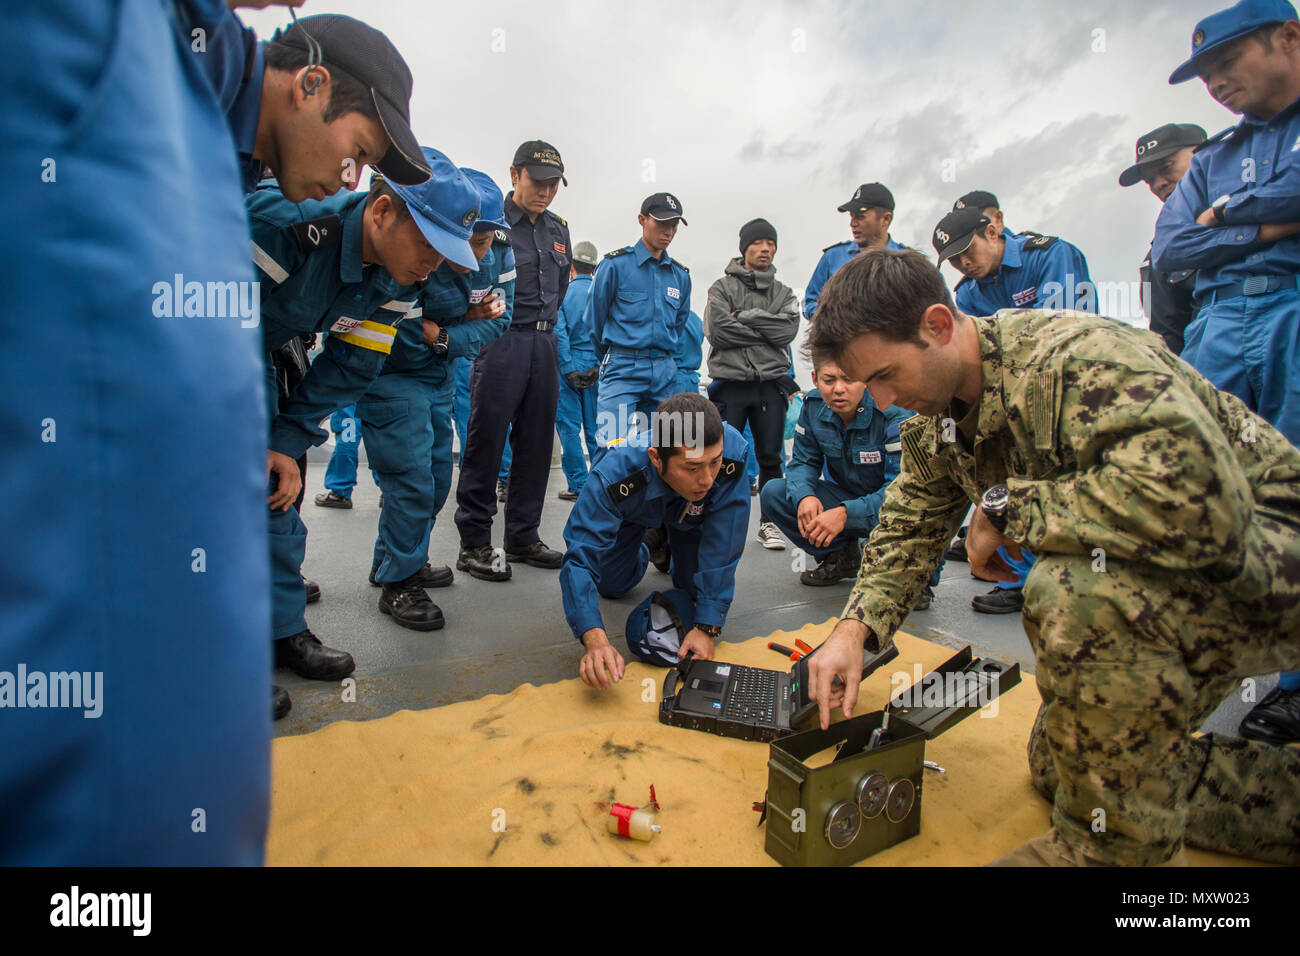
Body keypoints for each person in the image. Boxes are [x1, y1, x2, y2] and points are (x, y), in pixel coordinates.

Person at [804, 247, 1300, 867]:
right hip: (1196, 568)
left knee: (1074, 592)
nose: (880, 402)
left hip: (1266, 548)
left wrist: (1005, 506)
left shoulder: (1074, 359)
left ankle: (1113, 854)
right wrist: (855, 630)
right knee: (1066, 761)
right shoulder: (935, 419)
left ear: (936, 325)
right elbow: (908, 526)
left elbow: (1200, 501)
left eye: (884, 376)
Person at [250, 150, 481, 716]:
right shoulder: (285, 225)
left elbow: (352, 363)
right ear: (382, 211)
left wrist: (287, 437)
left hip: (276, 351)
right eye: (427, 246)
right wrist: (253, 434)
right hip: (206, 348)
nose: (432, 266)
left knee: (278, 496)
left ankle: (282, 632)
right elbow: (200, 329)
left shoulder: (398, 277)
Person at [1155, 0, 1300, 746]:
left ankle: (1296, 685)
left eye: (1225, 63)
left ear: (1289, 36)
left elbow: (1206, 231)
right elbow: (1174, 249)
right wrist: (1270, 220)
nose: (1213, 82)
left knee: (1294, 495)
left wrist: (1226, 220)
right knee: (1187, 485)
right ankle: (1184, 654)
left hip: (1294, 311)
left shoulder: (1217, 172)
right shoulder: (1214, 155)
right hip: (1217, 326)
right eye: (1203, 72)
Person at [359, 163, 516, 630]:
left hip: (441, 374)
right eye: (466, 241)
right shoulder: (419, 246)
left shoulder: (498, 255)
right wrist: (458, 324)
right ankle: (399, 583)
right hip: (392, 375)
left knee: (434, 476)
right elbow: (390, 327)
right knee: (410, 480)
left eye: (483, 242)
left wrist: (445, 338)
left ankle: (396, 559)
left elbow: (500, 320)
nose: (471, 254)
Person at [932, 205, 1094, 614]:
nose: (963, 263)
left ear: (994, 228)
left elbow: (1060, 332)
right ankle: (1023, 580)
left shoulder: (1051, 256)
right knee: (1011, 482)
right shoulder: (968, 292)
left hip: (1069, 388)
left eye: (968, 250)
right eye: (953, 259)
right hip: (1011, 402)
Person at [561, 394, 751, 690]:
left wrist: (706, 627)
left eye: (714, 463)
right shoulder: (615, 474)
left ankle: (669, 537)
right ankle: (650, 542)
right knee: (612, 585)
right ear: (655, 457)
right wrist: (594, 638)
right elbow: (579, 558)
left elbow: (725, 539)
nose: (707, 480)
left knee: (691, 593)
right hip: (633, 517)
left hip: (691, 519)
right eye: (692, 468)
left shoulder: (733, 451)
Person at [454, 141, 571, 580]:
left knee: (537, 443)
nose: (545, 191)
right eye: (537, 182)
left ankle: (522, 536)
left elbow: (558, 291)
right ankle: (475, 542)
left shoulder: (559, 230)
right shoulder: (492, 222)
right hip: (500, 338)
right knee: (486, 440)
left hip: (544, 343)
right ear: (514, 175)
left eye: (553, 184)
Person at [760, 357, 918, 593]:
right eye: (829, 380)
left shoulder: (894, 413)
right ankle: (841, 556)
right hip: (850, 497)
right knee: (775, 493)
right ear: (815, 379)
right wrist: (805, 496)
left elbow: (904, 492)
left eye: (849, 379)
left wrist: (846, 513)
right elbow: (803, 460)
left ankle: (917, 577)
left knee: (907, 590)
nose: (839, 389)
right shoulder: (814, 406)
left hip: (897, 507)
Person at [704, 218, 801, 551]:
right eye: (758, 243)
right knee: (724, 456)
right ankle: (718, 519)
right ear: (744, 247)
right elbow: (717, 330)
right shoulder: (721, 288)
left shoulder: (785, 293)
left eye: (770, 243)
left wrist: (742, 317)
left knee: (771, 457)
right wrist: (764, 331)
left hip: (770, 387)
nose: (765, 249)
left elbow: (787, 331)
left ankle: (769, 524)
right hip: (730, 385)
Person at [585, 193, 693, 455]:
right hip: (623, 367)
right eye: (661, 224)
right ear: (642, 220)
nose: (668, 232)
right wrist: (617, 356)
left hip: (665, 372)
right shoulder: (615, 266)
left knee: (665, 450)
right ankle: (602, 496)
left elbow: (678, 325)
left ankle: (652, 498)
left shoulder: (680, 276)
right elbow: (593, 322)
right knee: (610, 445)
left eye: (674, 226)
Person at [1118, 123, 1208, 355]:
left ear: (1204, 153)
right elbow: (1167, 337)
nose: (1159, 184)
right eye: (1149, 181)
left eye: (1167, 167)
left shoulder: (1266, 203)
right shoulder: (1159, 256)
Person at [804, 182, 906, 320]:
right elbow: (809, 301)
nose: (852, 223)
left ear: (885, 219)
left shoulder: (909, 262)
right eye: (852, 216)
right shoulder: (832, 257)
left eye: (861, 216)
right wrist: (831, 321)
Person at [554, 241, 602, 501]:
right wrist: (596, 365)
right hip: (595, 367)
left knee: (569, 427)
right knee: (596, 428)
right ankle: (600, 483)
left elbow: (559, 332)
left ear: (571, 265)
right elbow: (606, 331)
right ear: (594, 267)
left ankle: (577, 484)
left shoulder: (562, 293)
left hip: (567, 365)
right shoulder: (600, 294)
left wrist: (569, 368)